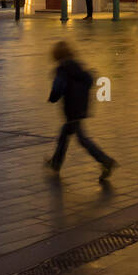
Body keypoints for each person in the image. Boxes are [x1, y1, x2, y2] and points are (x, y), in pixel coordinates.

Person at [45, 41, 116, 180]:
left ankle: (105, 161)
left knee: (82, 139)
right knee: (65, 134)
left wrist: (53, 97)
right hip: (81, 107)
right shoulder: (77, 66)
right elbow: (89, 79)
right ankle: (56, 162)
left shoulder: (62, 70)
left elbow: (58, 88)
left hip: (71, 108)